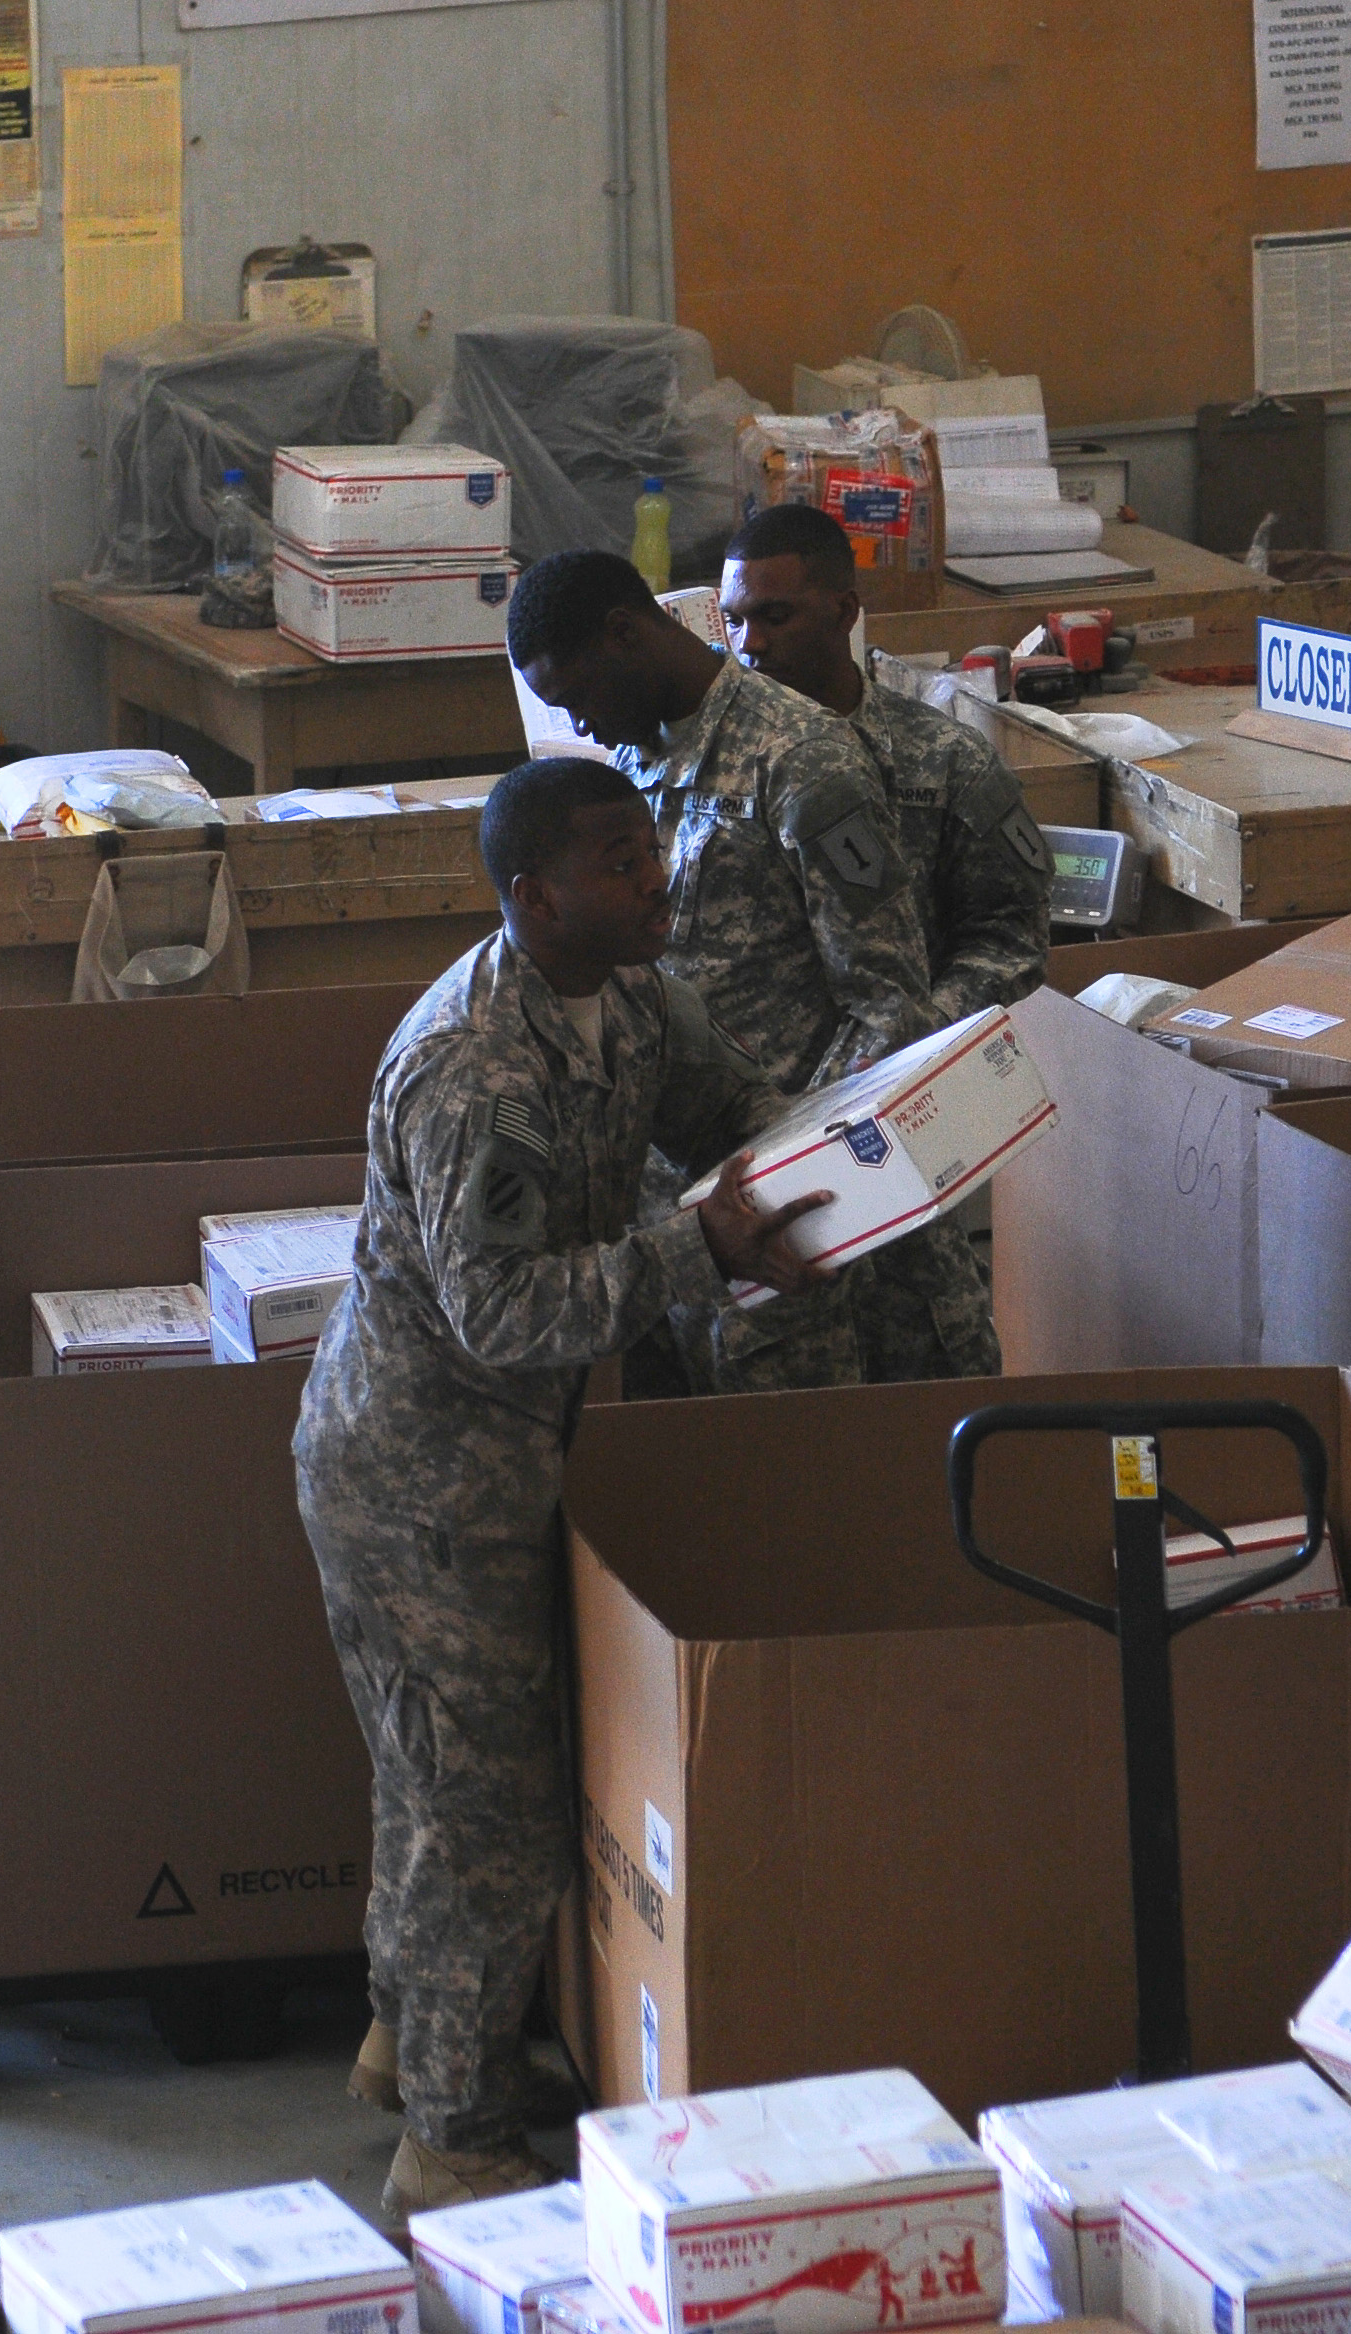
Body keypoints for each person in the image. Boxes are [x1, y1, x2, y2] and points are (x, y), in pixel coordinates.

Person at [293, 756, 834, 2216]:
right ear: (532, 897)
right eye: (613, 860)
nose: (651, 877)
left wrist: (840, 1166)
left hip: (504, 1450)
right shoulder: (473, 1069)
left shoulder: (640, 999)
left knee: (443, 1772)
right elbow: (504, 1313)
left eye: (648, 847)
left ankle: (412, 2042)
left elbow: (740, 1116)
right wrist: (696, 1250)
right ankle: (455, 2139)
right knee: (484, 1800)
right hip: (416, 1467)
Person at [507, 549, 935, 1393]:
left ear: (625, 635)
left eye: (579, 698)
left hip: (778, 1216)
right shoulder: (631, 762)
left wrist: (798, 1173)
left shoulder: (802, 759)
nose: (581, 727)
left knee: (781, 1494)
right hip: (663, 1228)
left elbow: (887, 1001)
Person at [719, 500, 1051, 1380]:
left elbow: (1012, 929)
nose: (749, 645)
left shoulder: (941, 762)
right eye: (733, 621)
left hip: (897, 1123)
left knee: (937, 1377)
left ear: (842, 610)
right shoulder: (712, 772)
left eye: (774, 616)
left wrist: (917, 1038)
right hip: (758, 1135)